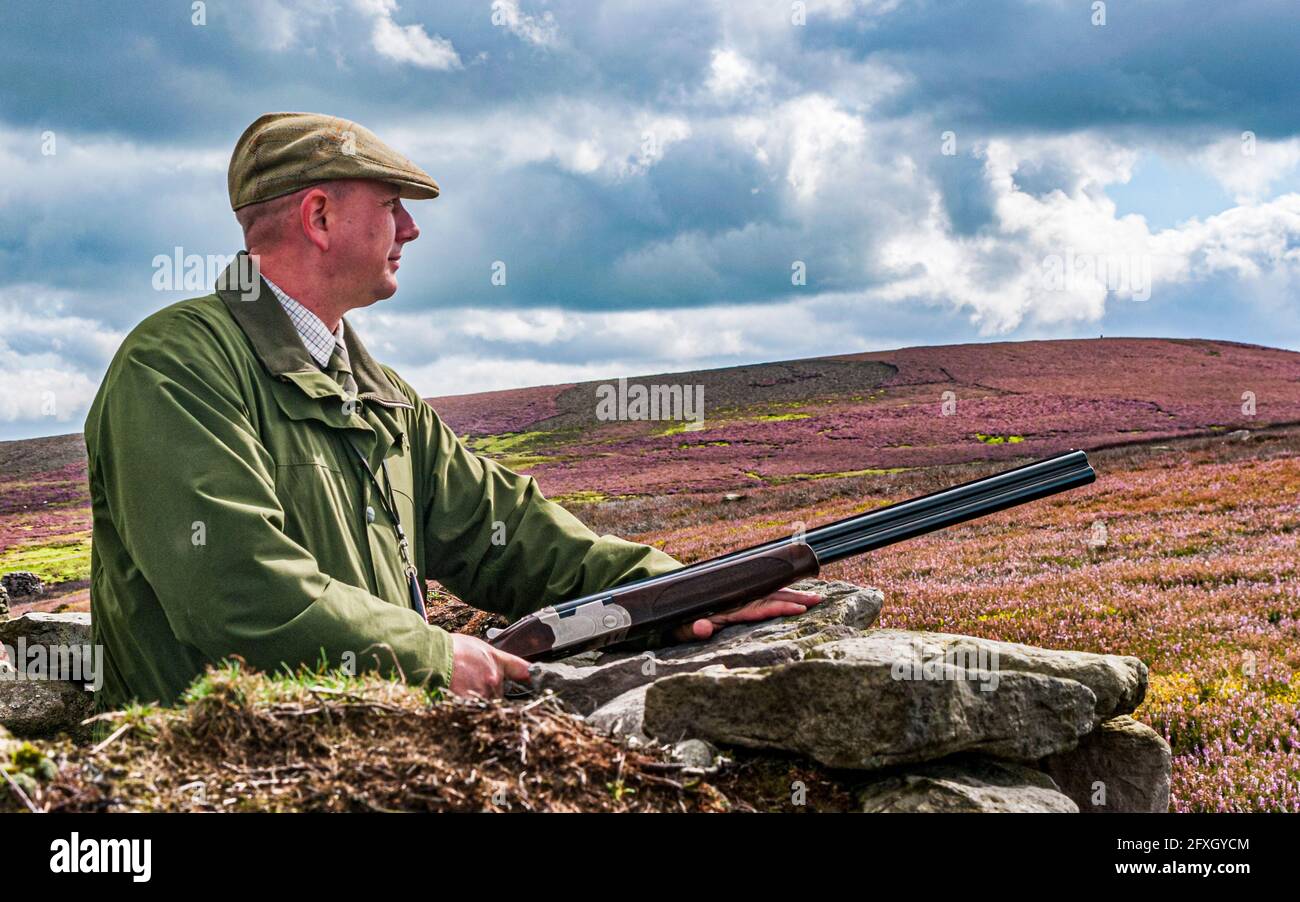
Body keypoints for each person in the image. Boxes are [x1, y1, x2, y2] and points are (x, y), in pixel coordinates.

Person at [85, 112, 820, 714]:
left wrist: (686, 588)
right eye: (391, 206)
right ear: (319, 215)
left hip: (345, 765)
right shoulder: (175, 366)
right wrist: (431, 658)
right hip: (197, 781)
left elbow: (511, 537)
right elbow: (236, 593)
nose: (410, 230)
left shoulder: (381, 395)